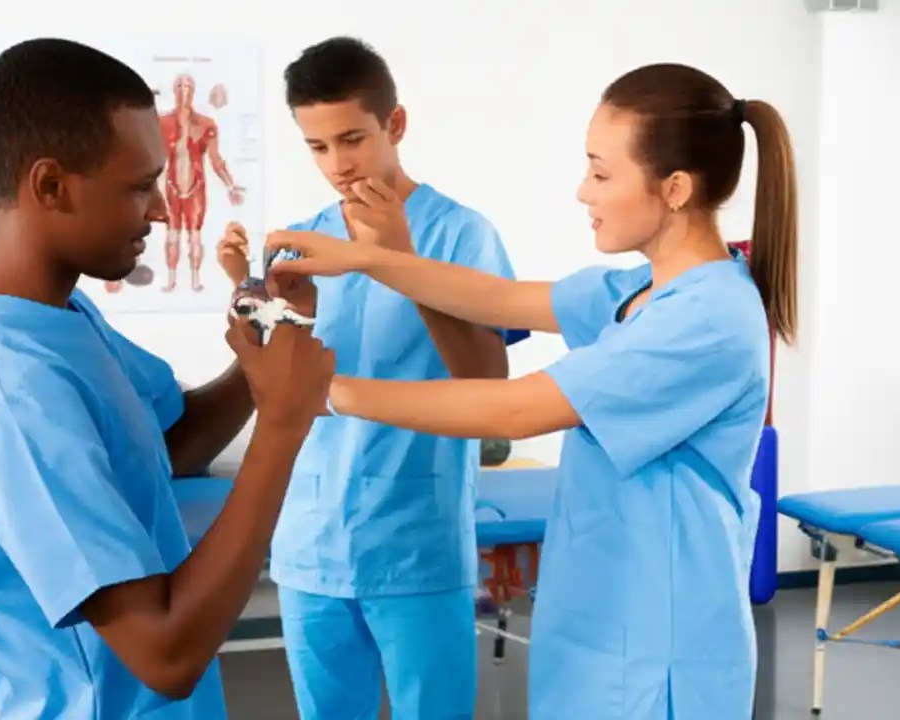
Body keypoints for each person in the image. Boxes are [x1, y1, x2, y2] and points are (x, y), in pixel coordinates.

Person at [265, 61, 798, 719]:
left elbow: (515, 409)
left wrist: (324, 390)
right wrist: (368, 258)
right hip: (602, 625)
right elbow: (499, 298)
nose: (582, 191)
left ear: (676, 188)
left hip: (660, 646)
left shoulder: (705, 317)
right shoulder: (638, 290)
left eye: (601, 174)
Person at [0, 38, 335, 720]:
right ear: (51, 186)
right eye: (139, 187)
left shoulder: (51, 314)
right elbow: (166, 654)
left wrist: (263, 346)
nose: (162, 210)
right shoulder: (8, 391)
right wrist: (283, 422)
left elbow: (167, 446)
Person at [218, 36, 527, 720]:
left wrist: (399, 260)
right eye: (318, 147)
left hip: (417, 543)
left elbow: (490, 381)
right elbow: (278, 375)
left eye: (352, 139)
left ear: (396, 124)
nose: (338, 163)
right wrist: (248, 290)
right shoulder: (304, 242)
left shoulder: (461, 235)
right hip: (310, 543)